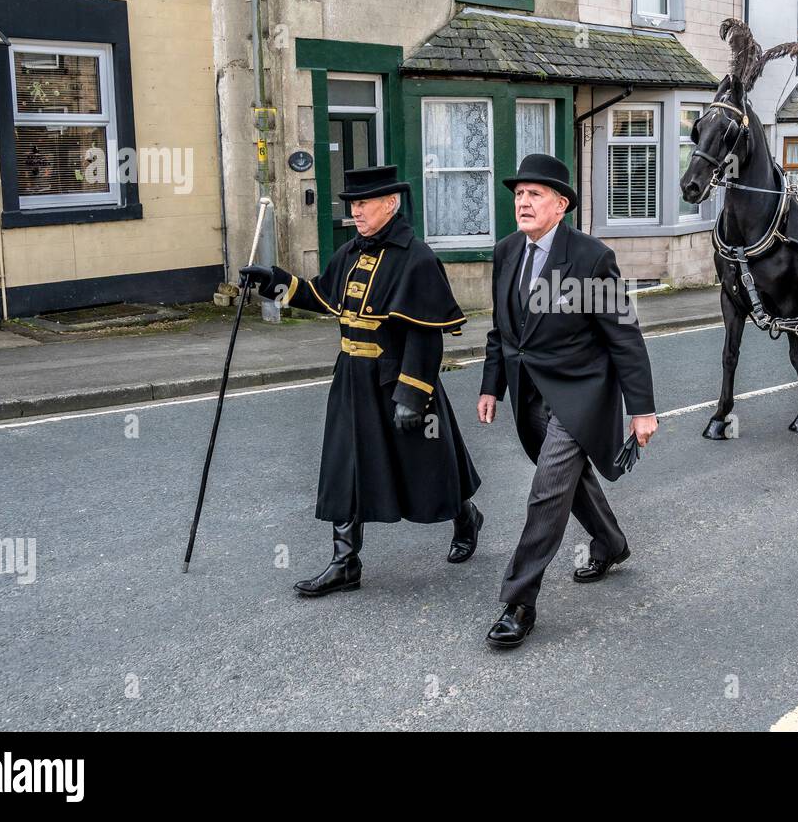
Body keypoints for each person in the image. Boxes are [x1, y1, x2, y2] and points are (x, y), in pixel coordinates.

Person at [241, 165, 483, 597]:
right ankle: (344, 563)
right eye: (351, 204)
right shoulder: (351, 252)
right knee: (345, 464)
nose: (355, 211)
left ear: (390, 204)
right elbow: (319, 294)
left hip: (397, 379)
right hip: (351, 379)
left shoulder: (418, 258)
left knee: (426, 463)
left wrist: (412, 392)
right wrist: (273, 282)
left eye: (363, 203)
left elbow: (425, 333)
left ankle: (465, 516)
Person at [477, 153, 658, 649]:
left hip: (580, 396)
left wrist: (641, 409)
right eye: (519, 194)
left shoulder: (590, 258)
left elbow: (625, 336)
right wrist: (492, 385)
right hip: (530, 395)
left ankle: (519, 601)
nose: (523, 202)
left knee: (547, 492)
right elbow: (503, 331)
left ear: (561, 205)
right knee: (571, 483)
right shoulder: (506, 251)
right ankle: (612, 543)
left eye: (535, 195)